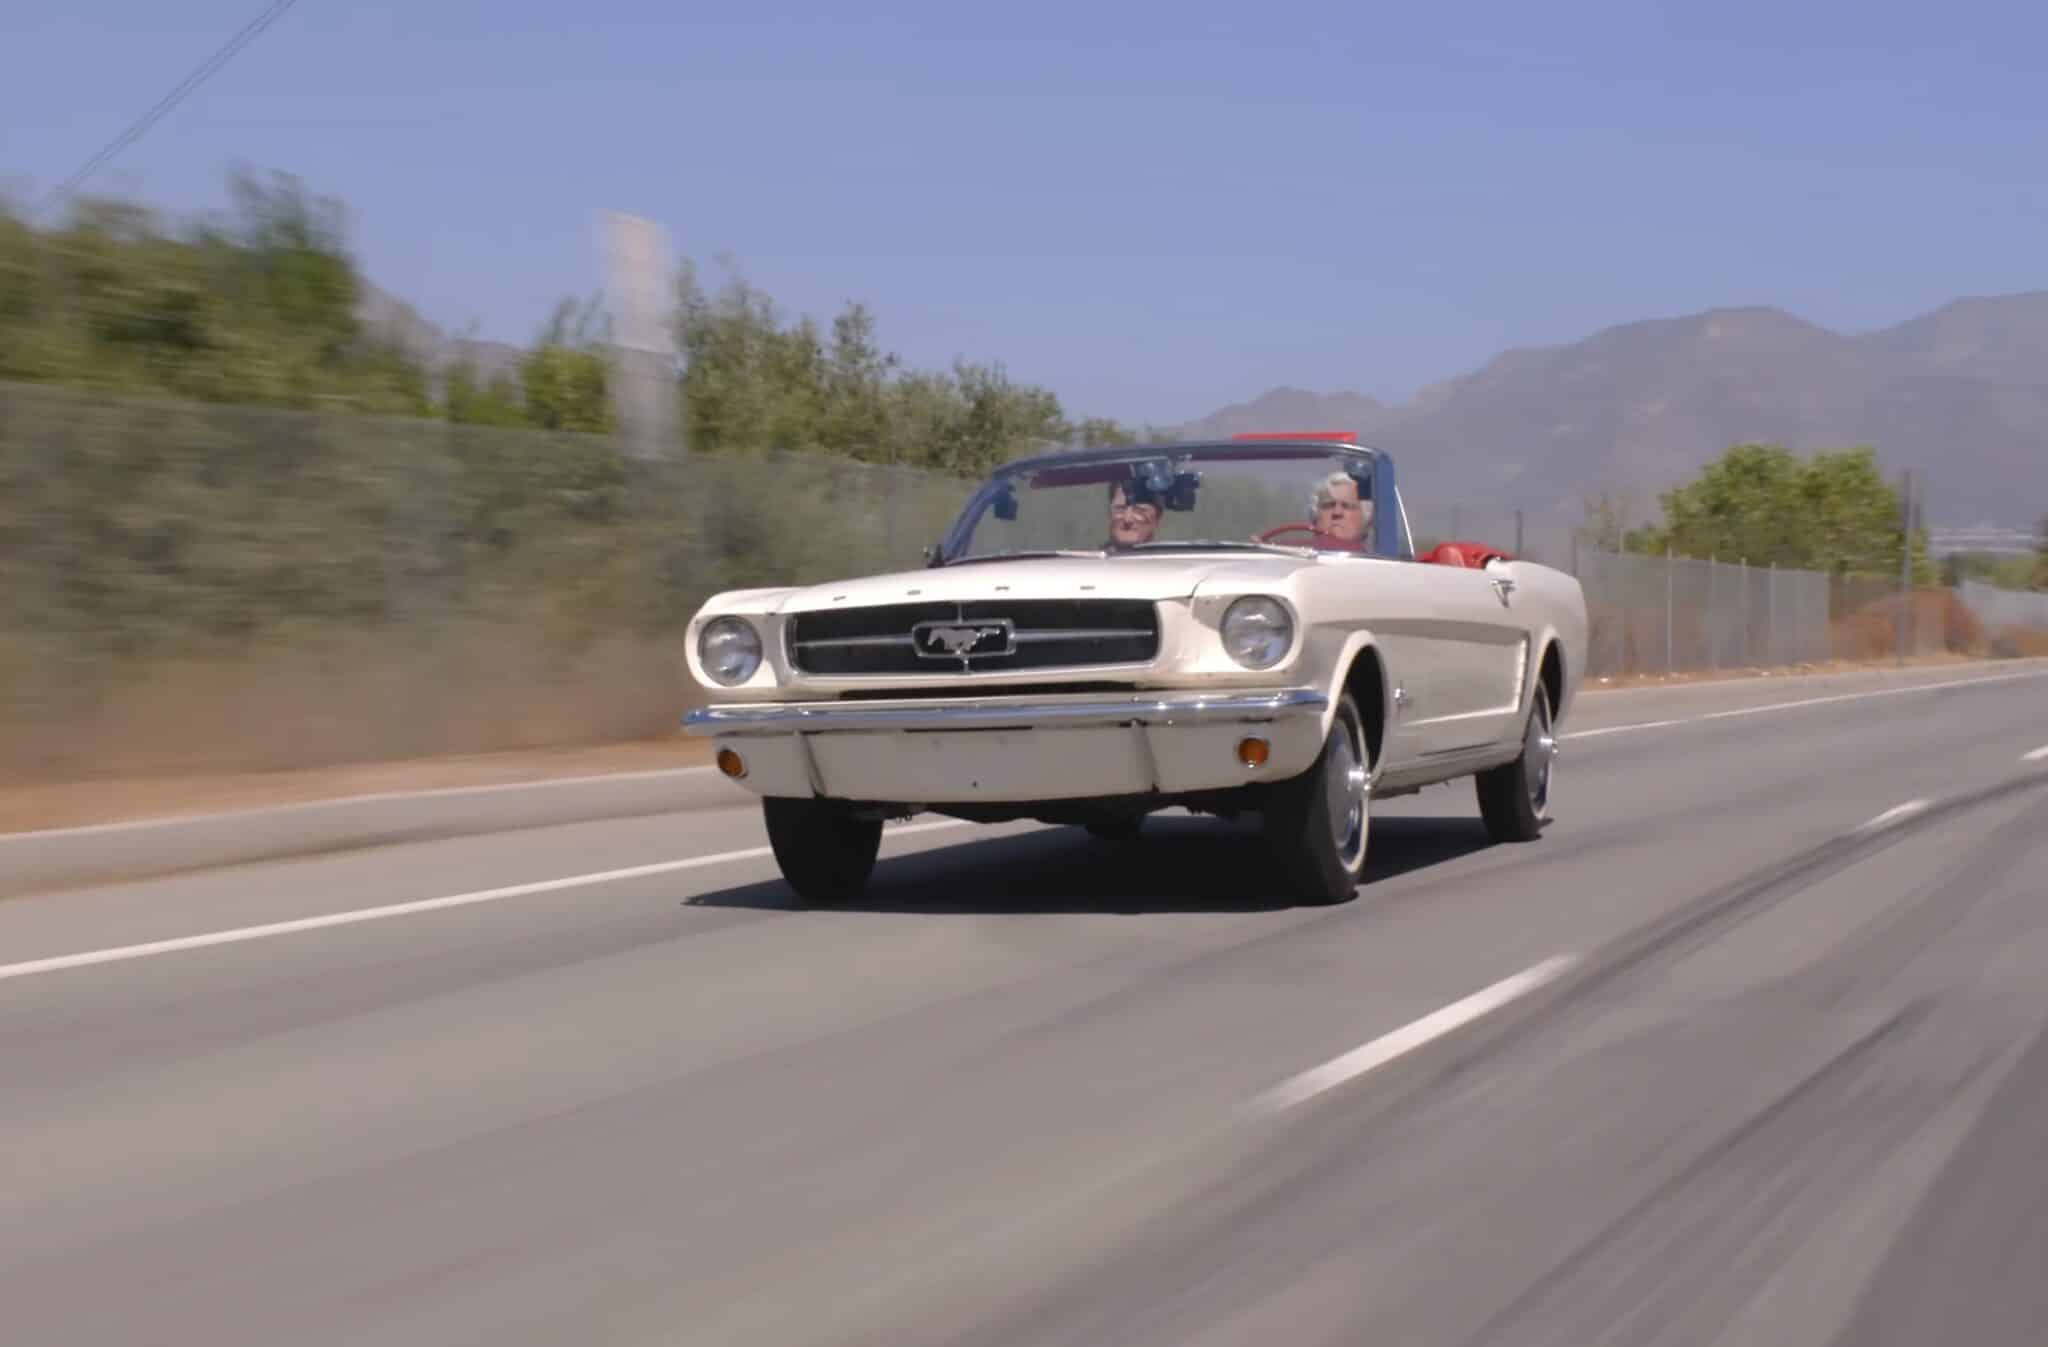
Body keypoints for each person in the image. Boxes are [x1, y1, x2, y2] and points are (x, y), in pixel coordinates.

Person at [1309, 470, 1374, 548]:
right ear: (1315, 516)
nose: (1337, 512)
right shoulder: (1295, 557)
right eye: (1329, 505)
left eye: (1347, 506)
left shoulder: (1382, 559)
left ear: (1365, 518)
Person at [1105, 479, 1162, 549]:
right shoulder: (1092, 559)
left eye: (1139, 510)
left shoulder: (1173, 559)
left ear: (1157, 520)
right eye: (1120, 508)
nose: (1127, 519)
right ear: (1109, 513)